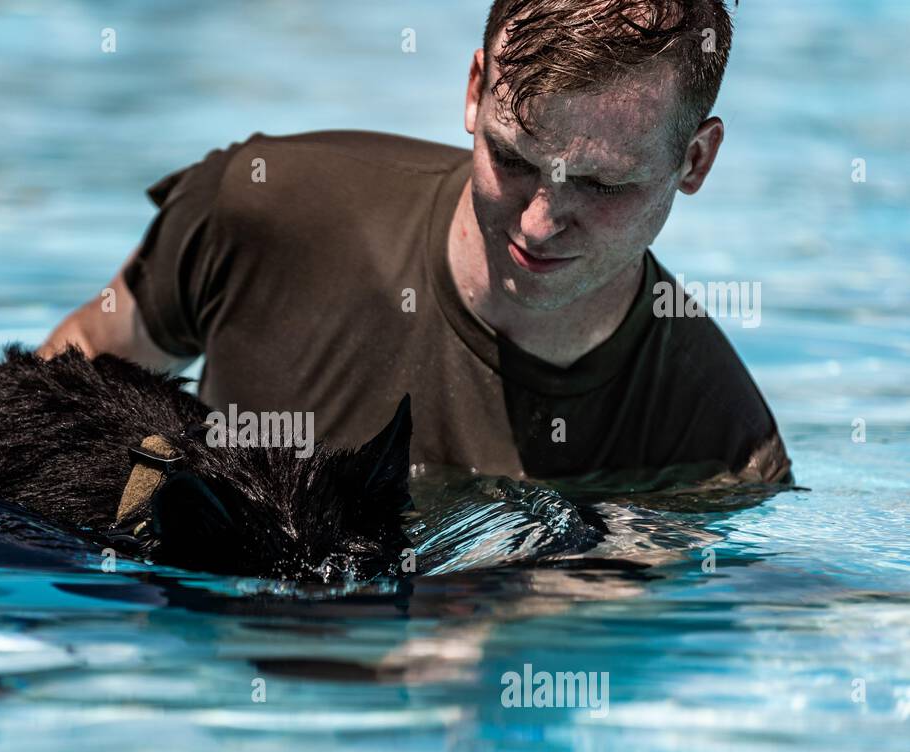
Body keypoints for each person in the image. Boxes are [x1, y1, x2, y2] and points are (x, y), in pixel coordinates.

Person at [39, 0, 791, 487]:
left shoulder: (715, 447)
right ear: (473, 91)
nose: (536, 222)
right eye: (514, 159)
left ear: (695, 161)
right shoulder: (259, 210)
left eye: (600, 186)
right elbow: (66, 376)